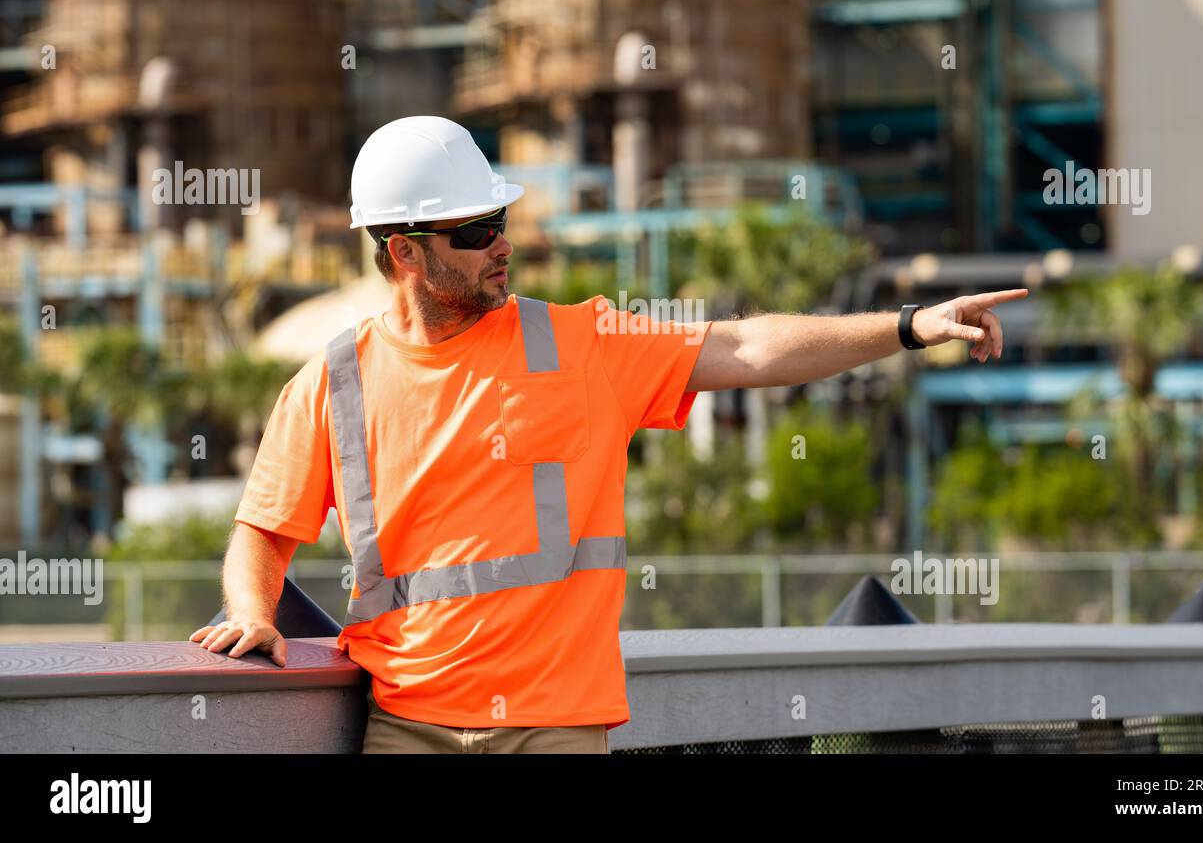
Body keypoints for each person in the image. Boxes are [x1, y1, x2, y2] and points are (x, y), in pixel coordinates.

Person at [189, 116, 1027, 753]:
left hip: (558, 728)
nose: (502, 245)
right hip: (407, 724)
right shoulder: (330, 384)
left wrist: (911, 325)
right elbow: (263, 529)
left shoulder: (580, 344)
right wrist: (254, 613)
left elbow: (745, 346)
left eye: (500, 221)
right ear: (405, 252)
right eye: (475, 233)